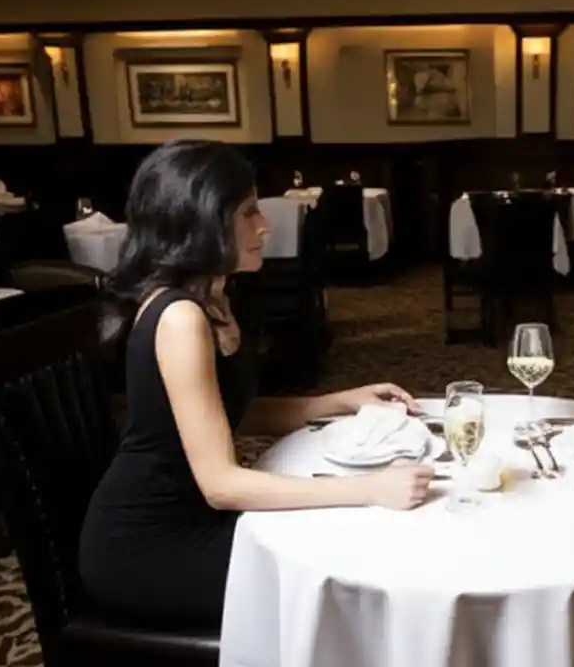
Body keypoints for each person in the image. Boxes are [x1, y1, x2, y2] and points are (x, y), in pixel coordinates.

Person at [78, 140, 434, 627]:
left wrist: (339, 402)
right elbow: (222, 485)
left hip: (196, 519)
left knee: (347, 535)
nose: (264, 225)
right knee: (345, 568)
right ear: (199, 219)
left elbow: (233, 412)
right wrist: (368, 487)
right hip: (150, 547)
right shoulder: (179, 316)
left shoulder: (213, 296)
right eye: (248, 212)